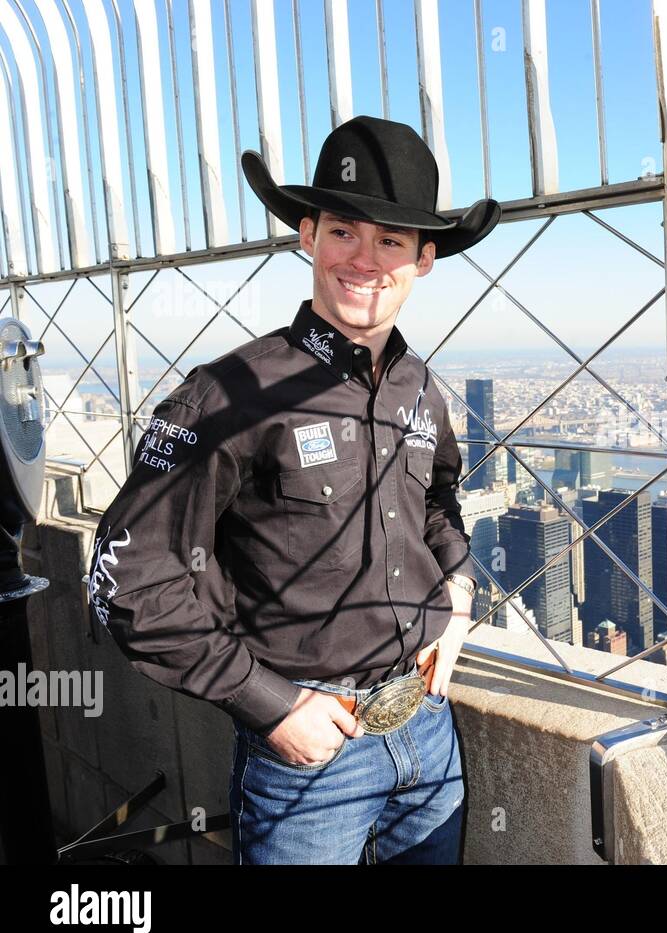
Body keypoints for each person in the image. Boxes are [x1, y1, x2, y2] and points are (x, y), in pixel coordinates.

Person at [86, 115, 501, 864]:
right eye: (343, 231)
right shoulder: (227, 396)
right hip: (308, 757)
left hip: (428, 731)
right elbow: (123, 579)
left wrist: (459, 593)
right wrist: (271, 707)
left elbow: (438, 503)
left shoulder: (418, 387)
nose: (364, 260)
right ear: (307, 236)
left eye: (391, 241)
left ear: (424, 259)